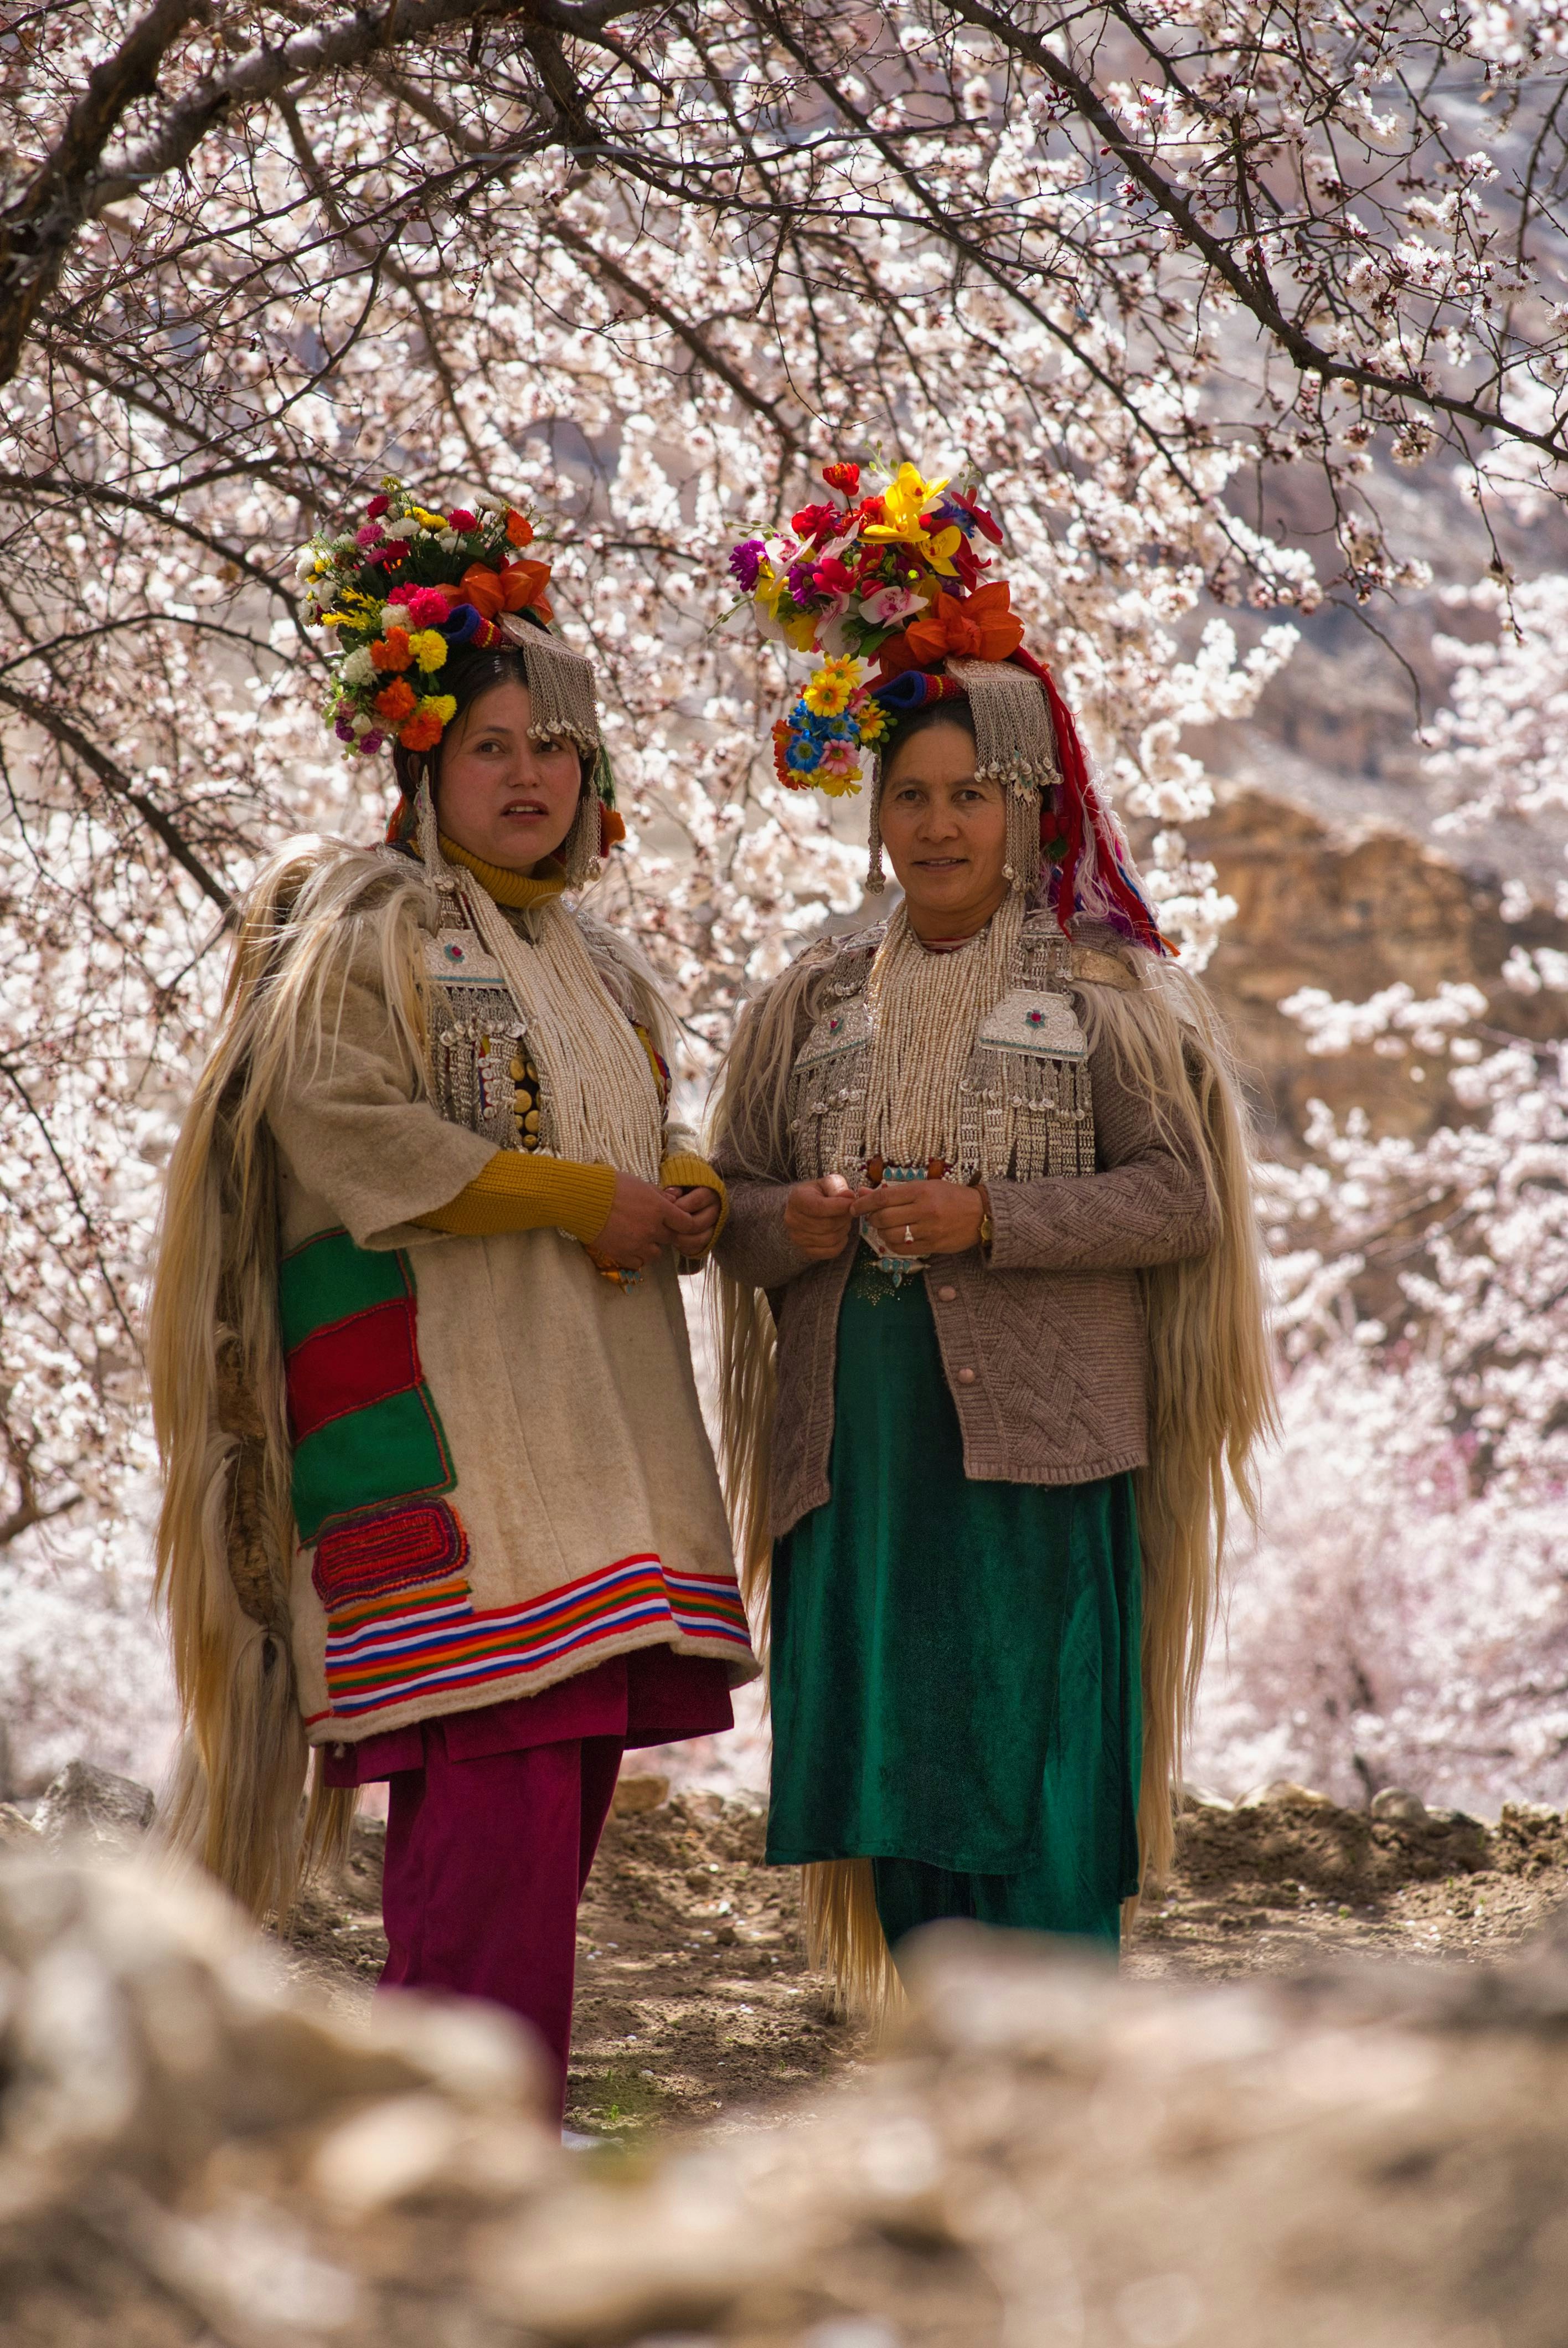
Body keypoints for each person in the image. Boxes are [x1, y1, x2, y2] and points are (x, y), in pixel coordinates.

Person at [149, 484, 757, 2110]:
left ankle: (478, 2160)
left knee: (540, 1839)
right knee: (481, 1861)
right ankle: (446, 2172)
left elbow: (613, 1123)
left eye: (558, 750)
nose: (531, 776)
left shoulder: (599, 966)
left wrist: (678, 1177)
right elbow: (345, 1134)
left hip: (590, 1447)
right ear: (423, 761)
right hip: (458, 1451)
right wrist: (586, 1199)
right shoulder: (364, 926)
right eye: (493, 745)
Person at [709, 461, 1272, 2004]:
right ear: (873, 812)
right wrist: (803, 1226)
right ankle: (949, 2084)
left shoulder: (1111, 999)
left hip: (1037, 1460)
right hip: (862, 1462)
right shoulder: (810, 1002)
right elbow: (733, 1210)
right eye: (911, 794)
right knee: (902, 1795)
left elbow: (1177, 1202)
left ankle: (1061, 2090)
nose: (940, 823)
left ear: (1029, 807)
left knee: (1033, 1790)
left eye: (972, 794)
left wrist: (990, 1218)